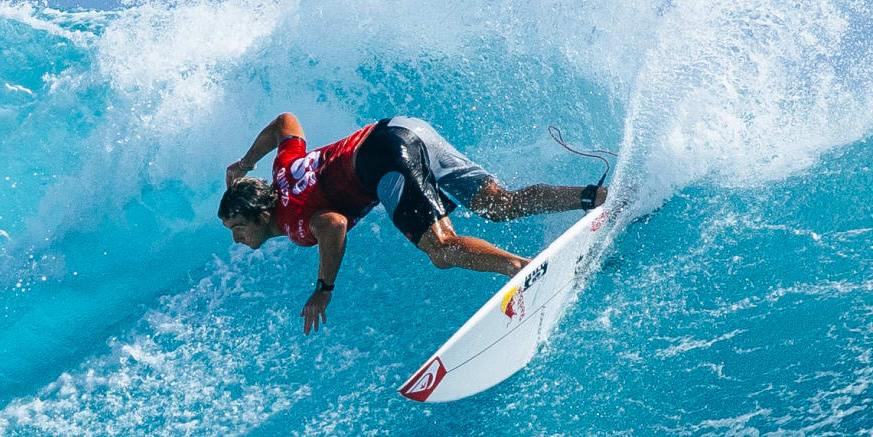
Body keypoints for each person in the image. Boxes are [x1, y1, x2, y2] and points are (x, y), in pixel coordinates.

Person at [217, 113, 602, 331]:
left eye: (238, 228)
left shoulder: (292, 222)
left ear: (260, 214)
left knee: (441, 249)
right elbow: (287, 122)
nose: (238, 240)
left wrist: (324, 288)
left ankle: (527, 270)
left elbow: (332, 224)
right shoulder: (281, 169)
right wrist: (247, 162)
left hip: (381, 160)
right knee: (497, 204)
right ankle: (593, 198)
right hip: (401, 128)